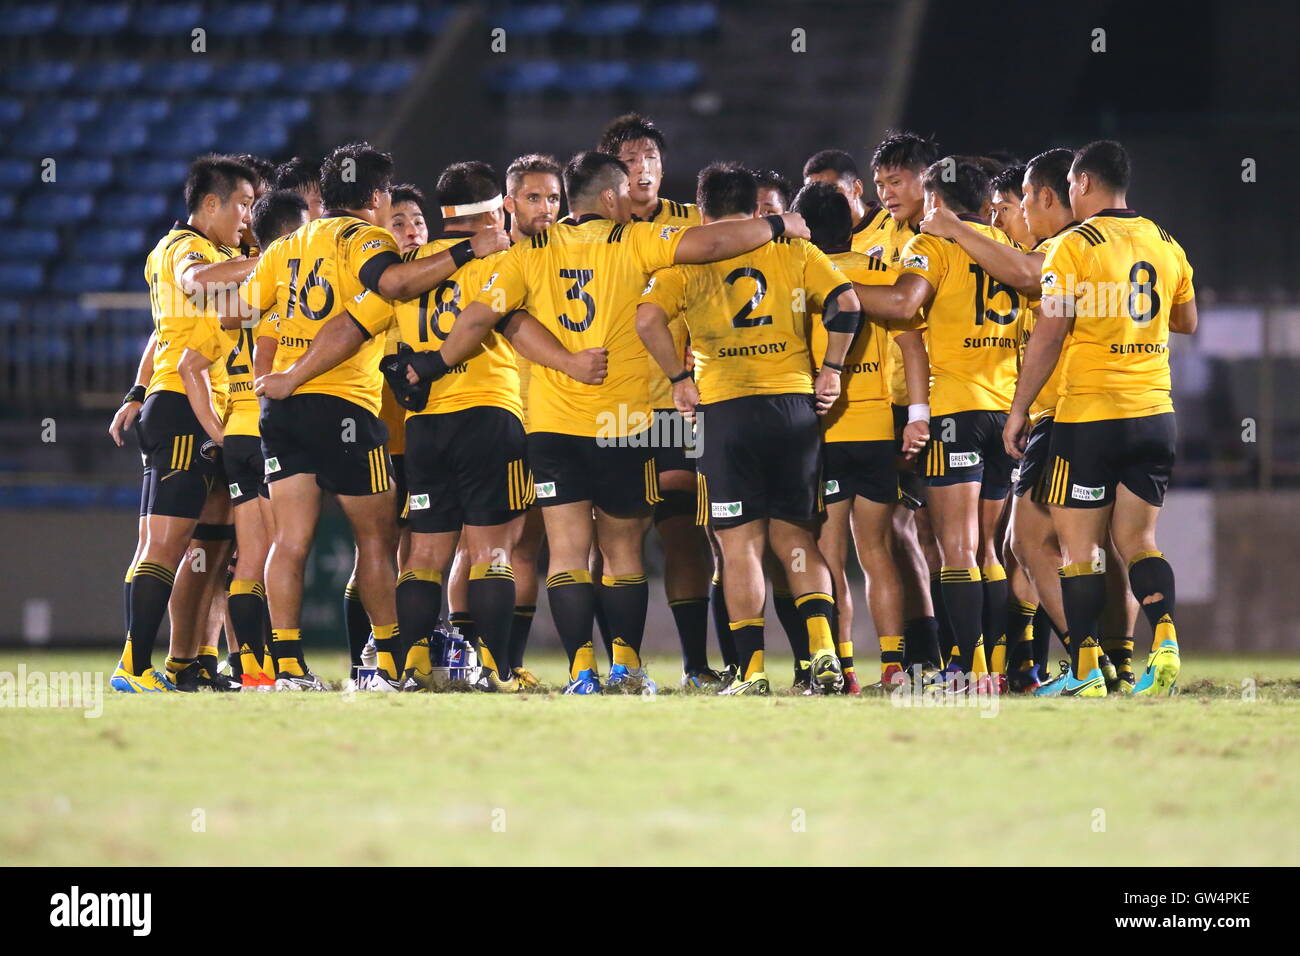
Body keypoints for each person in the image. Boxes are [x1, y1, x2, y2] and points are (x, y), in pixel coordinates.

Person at [1005, 140, 1196, 698]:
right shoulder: (1165, 242)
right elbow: (1186, 320)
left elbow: (1049, 332)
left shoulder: (1073, 245)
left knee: (1081, 549)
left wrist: (1019, 408)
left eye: (1069, 184)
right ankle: (1165, 640)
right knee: (1139, 542)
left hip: (1089, 415)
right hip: (1155, 413)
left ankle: (1086, 670)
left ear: (1083, 183)